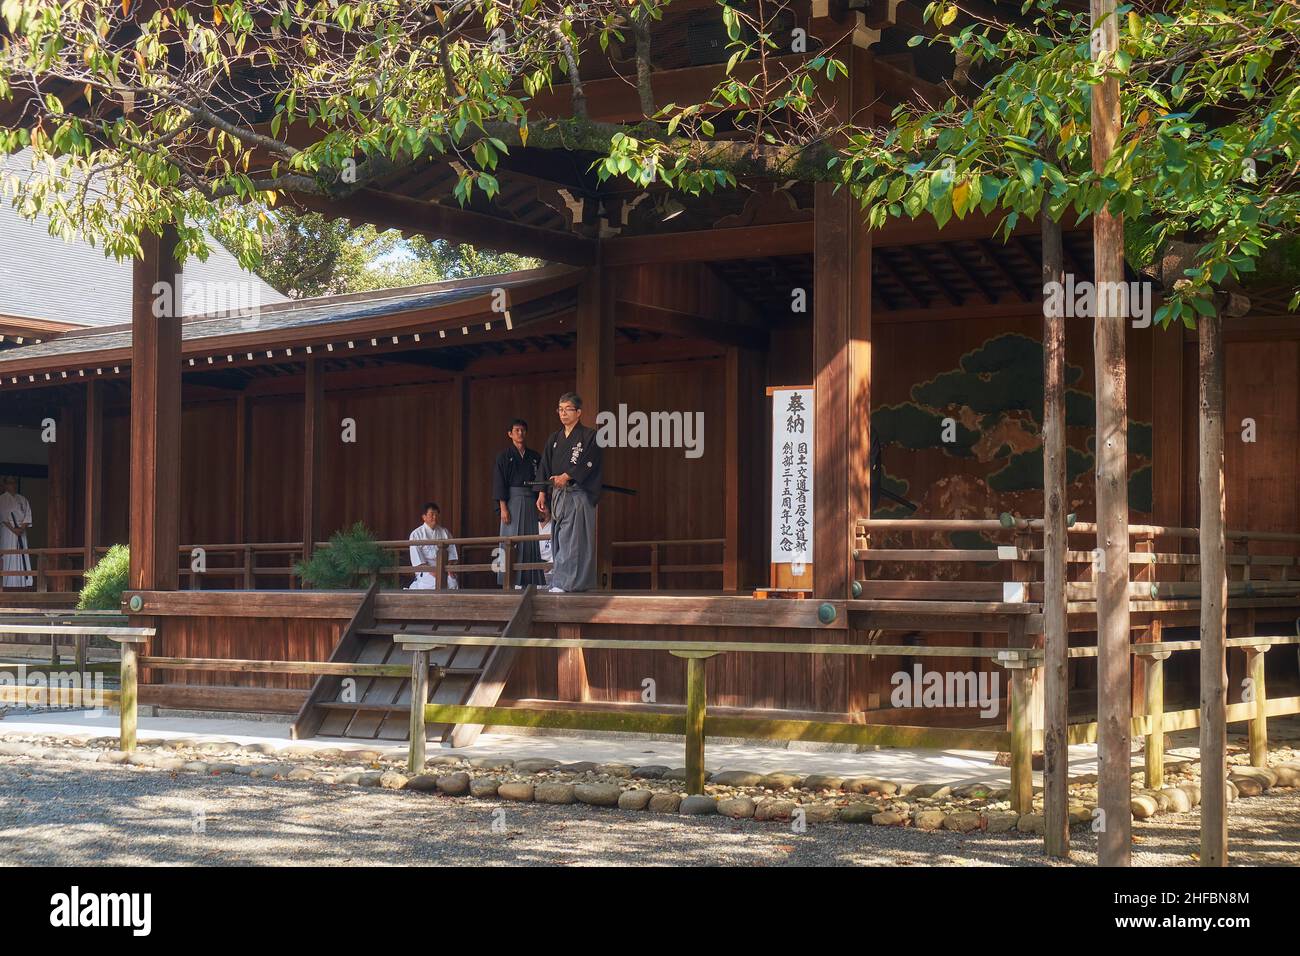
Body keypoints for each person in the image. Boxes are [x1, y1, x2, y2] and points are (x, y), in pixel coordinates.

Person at [536, 392, 602, 593]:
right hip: (558, 495)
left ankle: (569, 583)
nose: (563, 413)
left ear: (579, 412)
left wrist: (569, 475)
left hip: (577, 494)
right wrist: (541, 492)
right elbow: (545, 466)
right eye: (560, 409)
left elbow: (590, 463)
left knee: (573, 539)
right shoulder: (554, 438)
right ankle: (563, 581)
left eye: (568, 409)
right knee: (559, 538)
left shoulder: (590, 436)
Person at [492, 419, 547, 588]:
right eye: (516, 430)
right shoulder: (503, 456)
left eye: (523, 430)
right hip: (511, 501)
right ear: (510, 434)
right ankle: (505, 582)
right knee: (509, 540)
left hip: (531, 500)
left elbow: (541, 480)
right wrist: (503, 507)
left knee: (530, 541)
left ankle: (528, 582)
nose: (520, 433)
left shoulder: (535, 457)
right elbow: (499, 483)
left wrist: (542, 501)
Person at [407, 502, 458, 590]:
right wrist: (434, 572)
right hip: (426, 571)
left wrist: (449, 569)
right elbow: (419, 562)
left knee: (452, 583)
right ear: (424, 517)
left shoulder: (444, 532)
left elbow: (452, 555)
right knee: (433, 585)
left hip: (444, 569)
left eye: (436, 514)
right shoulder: (416, 534)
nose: (435, 517)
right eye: (432, 514)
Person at [0, 476, 33, 589]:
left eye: (14, 482)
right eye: (10, 483)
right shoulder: (2, 499)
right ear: (5, 485)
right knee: (9, 555)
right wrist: (14, 530)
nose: (13, 485)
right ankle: (8, 584)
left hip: (21, 531)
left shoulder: (22, 499)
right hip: (8, 531)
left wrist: (21, 528)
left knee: (21, 554)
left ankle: (23, 583)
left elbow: (27, 516)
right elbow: (3, 518)